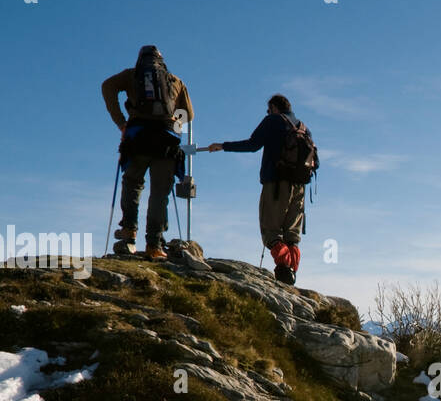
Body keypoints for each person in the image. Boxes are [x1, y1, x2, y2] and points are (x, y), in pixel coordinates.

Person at [208, 94, 317, 285]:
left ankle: (283, 271)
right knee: (292, 236)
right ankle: (291, 273)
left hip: (276, 184)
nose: (268, 113)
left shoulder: (273, 120)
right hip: (299, 187)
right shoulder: (304, 128)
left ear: (274, 107)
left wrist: (223, 146)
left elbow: (253, 145)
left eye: (268, 110)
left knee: (271, 231)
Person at [101, 45, 194, 260]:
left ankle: (129, 232)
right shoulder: (175, 80)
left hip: (138, 138)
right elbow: (188, 114)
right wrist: (175, 126)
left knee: (132, 183)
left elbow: (107, 86)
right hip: (166, 142)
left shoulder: (132, 74)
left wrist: (121, 123)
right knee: (160, 193)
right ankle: (154, 243)